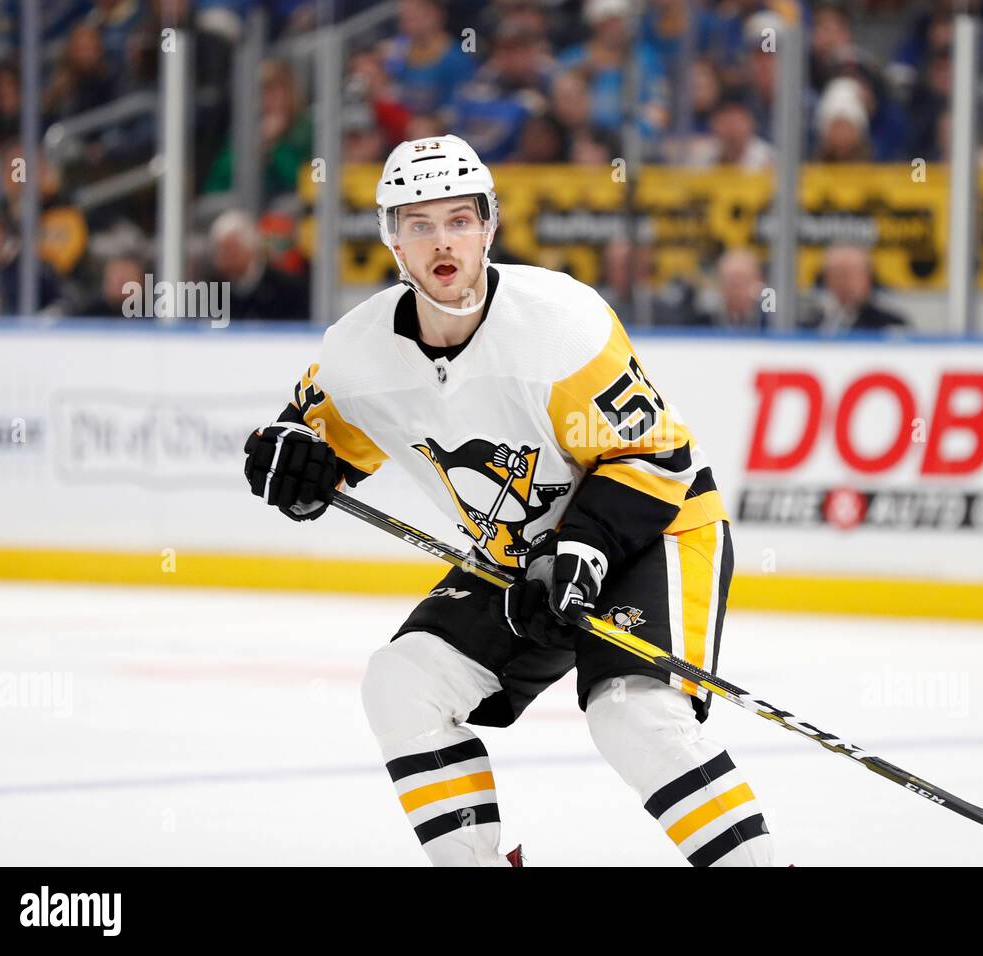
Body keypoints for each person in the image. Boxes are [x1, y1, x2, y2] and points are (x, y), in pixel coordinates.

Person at [241, 135, 773, 867]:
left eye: (459, 220)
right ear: (391, 239)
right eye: (419, 224)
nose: (442, 242)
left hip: (657, 529)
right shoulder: (355, 353)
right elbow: (314, 451)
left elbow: (656, 456)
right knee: (402, 684)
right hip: (520, 561)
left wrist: (581, 550)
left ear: (489, 226)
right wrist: (289, 468)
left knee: (634, 716)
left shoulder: (560, 324)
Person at [804, 245, 908, 333]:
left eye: (852, 274)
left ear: (869, 278)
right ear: (826, 279)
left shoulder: (888, 325)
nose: (844, 282)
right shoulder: (810, 322)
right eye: (837, 274)